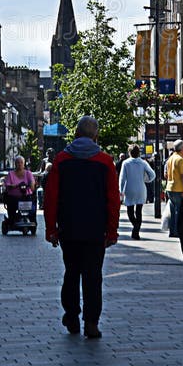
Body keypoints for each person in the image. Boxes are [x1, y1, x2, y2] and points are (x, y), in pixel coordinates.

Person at [44, 116, 120, 339]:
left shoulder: (61, 159)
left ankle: (72, 316)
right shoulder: (105, 161)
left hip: (69, 226)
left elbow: (51, 197)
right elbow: (113, 200)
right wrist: (112, 231)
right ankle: (92, 323)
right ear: (95, 136)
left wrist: (51, 229)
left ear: (76, 134)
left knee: (72, 272)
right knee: (93, 276)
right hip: (96, 229)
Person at [119, 145, 155, 240]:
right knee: (139, 211)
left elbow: (122, 179)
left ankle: (135, 226)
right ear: (139, 152)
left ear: (129, 152)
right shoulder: (143, 163)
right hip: (141, 188)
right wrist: (146, 180)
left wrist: (121, 191)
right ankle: (136, 231)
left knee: (130, 211)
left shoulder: (126, 163)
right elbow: (153, 174)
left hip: (129, 189)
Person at [164, 139, 183, 238]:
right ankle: (177, 231)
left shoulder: (171, 159)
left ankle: (172, 231)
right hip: (178, 188)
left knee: (173, 211)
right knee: (179, 211)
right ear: (182, 148)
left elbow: (166, 174)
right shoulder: (180, 160)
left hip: (170, 188)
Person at [4, 155, 36, 224]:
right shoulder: (11, 174)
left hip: (26, 197)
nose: (20, 164)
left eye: (21, 162)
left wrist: (31, 184)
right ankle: (12, 220)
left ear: (24, 164)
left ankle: (32, 220)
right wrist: (14, 186)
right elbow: (7, 185)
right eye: (18, 162)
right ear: (15, 164)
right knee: (11, 202)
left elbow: (32, 185)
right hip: (14, 197)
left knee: (32, 203)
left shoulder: (28, 173)